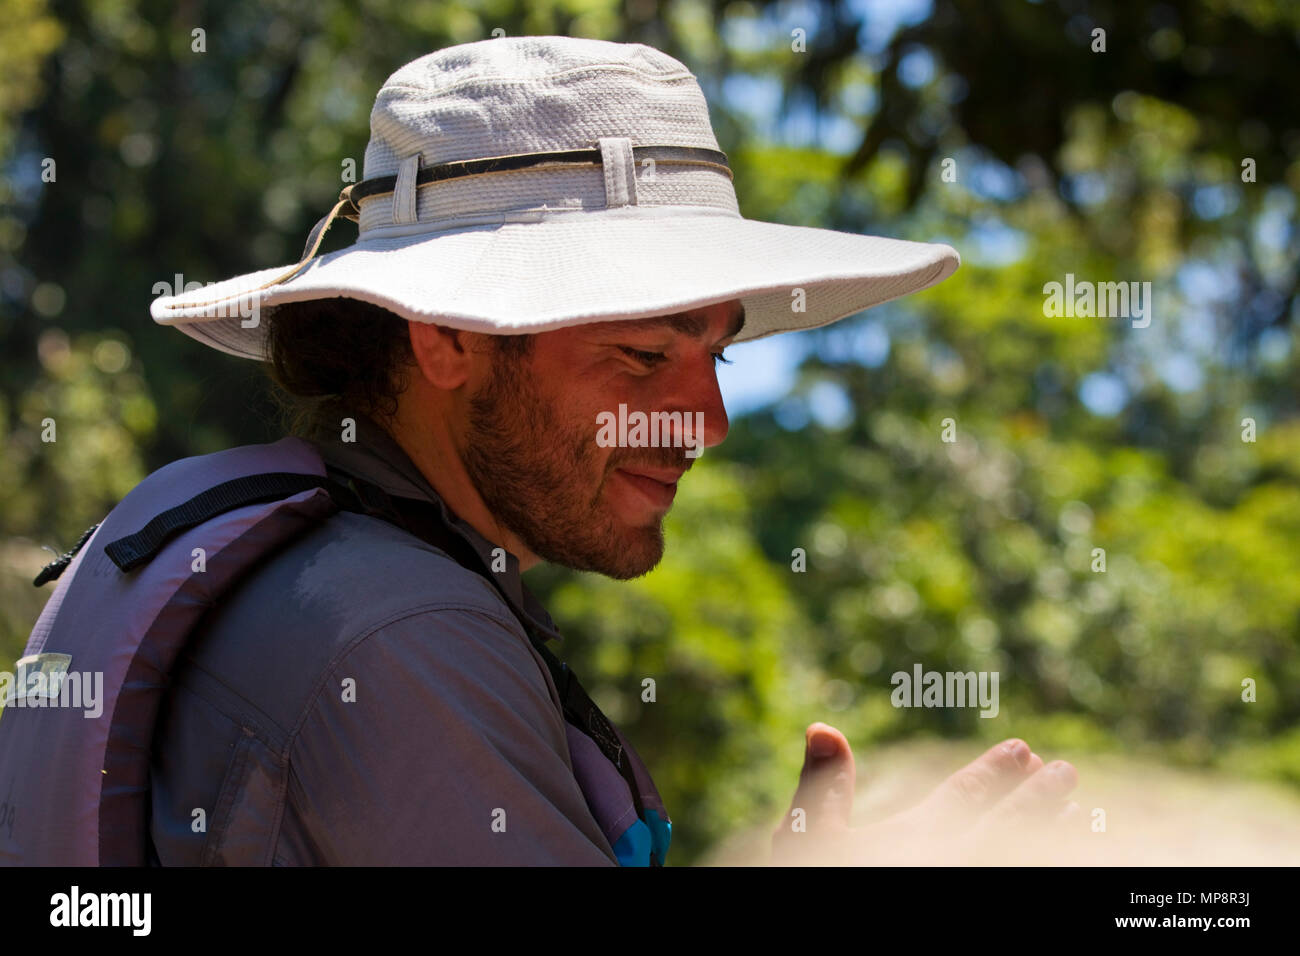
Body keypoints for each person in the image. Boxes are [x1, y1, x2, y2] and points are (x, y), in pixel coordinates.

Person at [84, 35, 1078, 865]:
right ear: (446, 336)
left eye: (716, 351)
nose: (707, 420)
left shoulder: (319, 555)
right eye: (643, 353)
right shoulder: (402, 634)